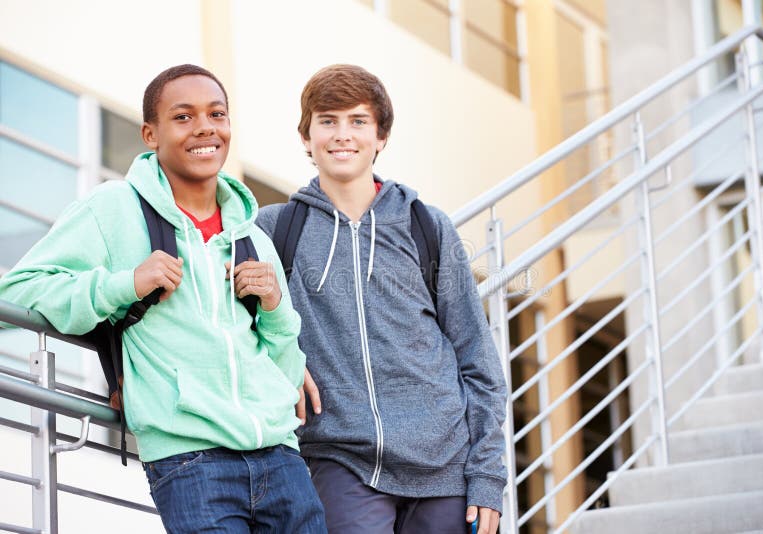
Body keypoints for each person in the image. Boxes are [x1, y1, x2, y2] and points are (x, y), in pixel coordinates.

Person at [0, 64, 326, 533]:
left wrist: (275, 308)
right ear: (151, 134)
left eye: (217, 114)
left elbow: (286, 370)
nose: (204, 128)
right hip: (190, 462)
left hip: (282, 461)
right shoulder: (113, 208)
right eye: (183, 116)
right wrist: (124, 284)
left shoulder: (253, 236)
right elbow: (19, 289)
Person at [257, 64, 507, 534]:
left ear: (381, 136)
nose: (341, 135)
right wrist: (283, 359)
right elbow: (234, 322)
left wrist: (487, 475)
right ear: (306, 137)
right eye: (327, 121)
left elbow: (477, 359)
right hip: (338, 458)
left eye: (357, 121)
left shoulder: (427, 227)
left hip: (444, 466)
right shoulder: (275, 230)